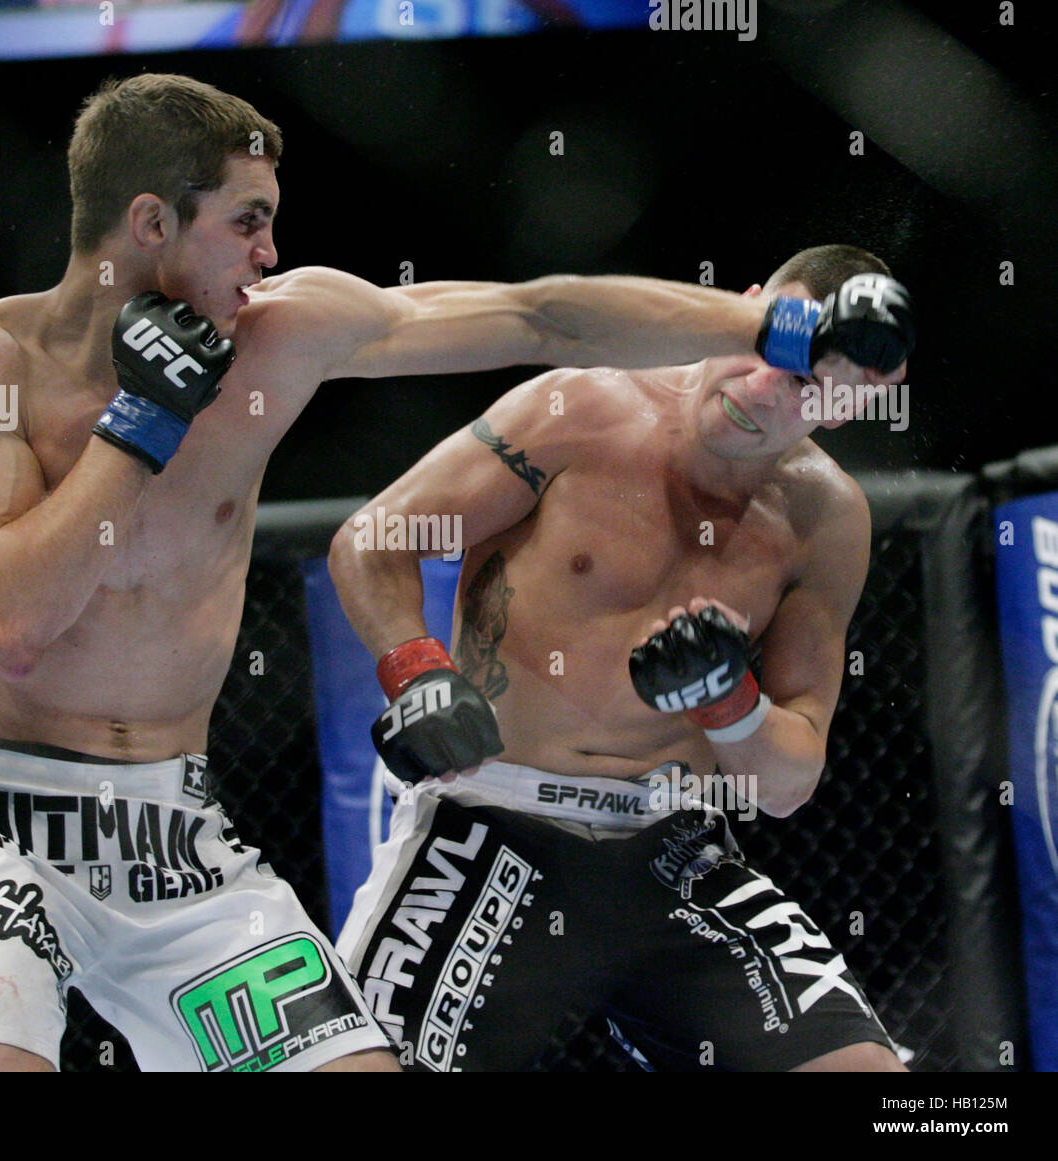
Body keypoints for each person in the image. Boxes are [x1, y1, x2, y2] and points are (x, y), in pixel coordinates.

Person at [0, 66, 908, 1073]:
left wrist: (781, 330)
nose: (270, 253)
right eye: (248, 222)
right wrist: (141, 422)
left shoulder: (281, 333)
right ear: (152, 221)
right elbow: (6, 630)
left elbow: (538, 316)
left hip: (177, 825)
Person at [329, 244, 914, 1072]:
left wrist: (728, 701)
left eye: (808, 385)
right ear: (748, 306)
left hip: (676, 850)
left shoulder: (825, 517)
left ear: (853, 404)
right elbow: (373, 540)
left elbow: (787, 782)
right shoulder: (580, 408)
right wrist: (418, 671)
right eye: (773, 351)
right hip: (493, 817)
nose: (761, 391)